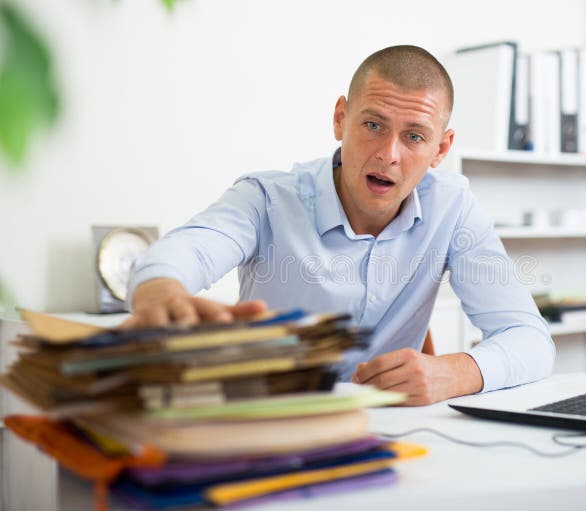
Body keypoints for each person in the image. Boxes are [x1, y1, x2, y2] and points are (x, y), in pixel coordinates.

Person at [125, 45, 555, 405]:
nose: (388, 154)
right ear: (339, 119)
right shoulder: (269, 197)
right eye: (373, 125)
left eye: (414, 137)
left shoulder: (453, 206)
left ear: (440, 148)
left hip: (387, 434)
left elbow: (531, 341)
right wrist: (160, 287)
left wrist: (457, 372)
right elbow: (191, 249)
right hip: (269, 419)